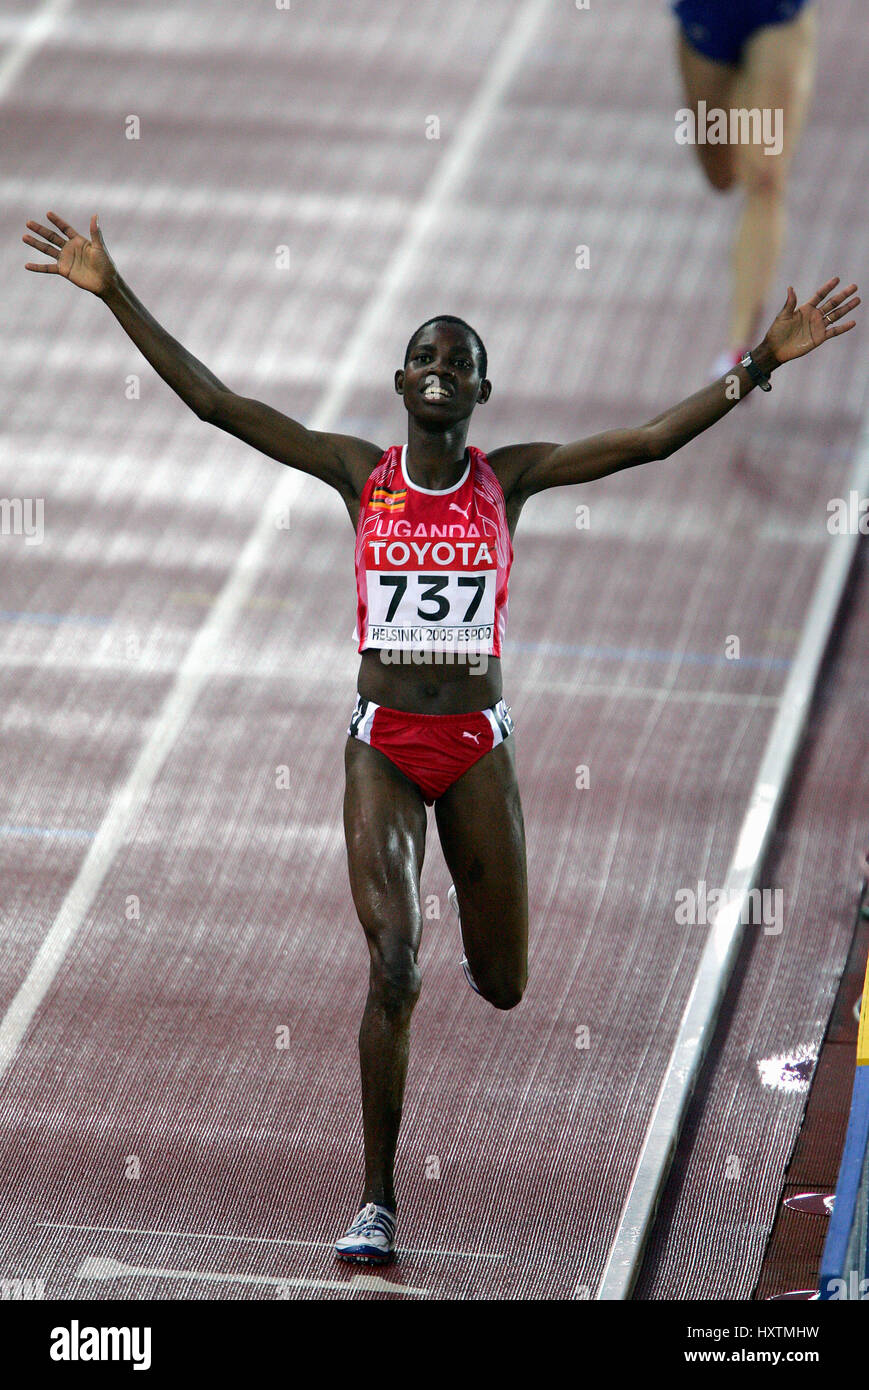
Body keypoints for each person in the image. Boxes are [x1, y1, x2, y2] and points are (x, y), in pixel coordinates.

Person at [23, 209, 858, 1263]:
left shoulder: (506, 480)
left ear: (478, 392)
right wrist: (112, 288)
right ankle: (375, 1199)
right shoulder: (354, 473)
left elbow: (647, 439)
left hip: (474, 749)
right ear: (399, 380)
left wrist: (759, 366)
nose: (437, 368)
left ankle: (473, 932)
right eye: (423, 354)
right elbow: (215, 404)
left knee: (502, 980)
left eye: (457, 360)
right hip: (381, 745)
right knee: (394, 968)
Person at [672, 1, 818, 374]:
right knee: (720, 175)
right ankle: (743, 107)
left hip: (776, 14)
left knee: (765, 176)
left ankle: (739, 352)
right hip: (706, 14)